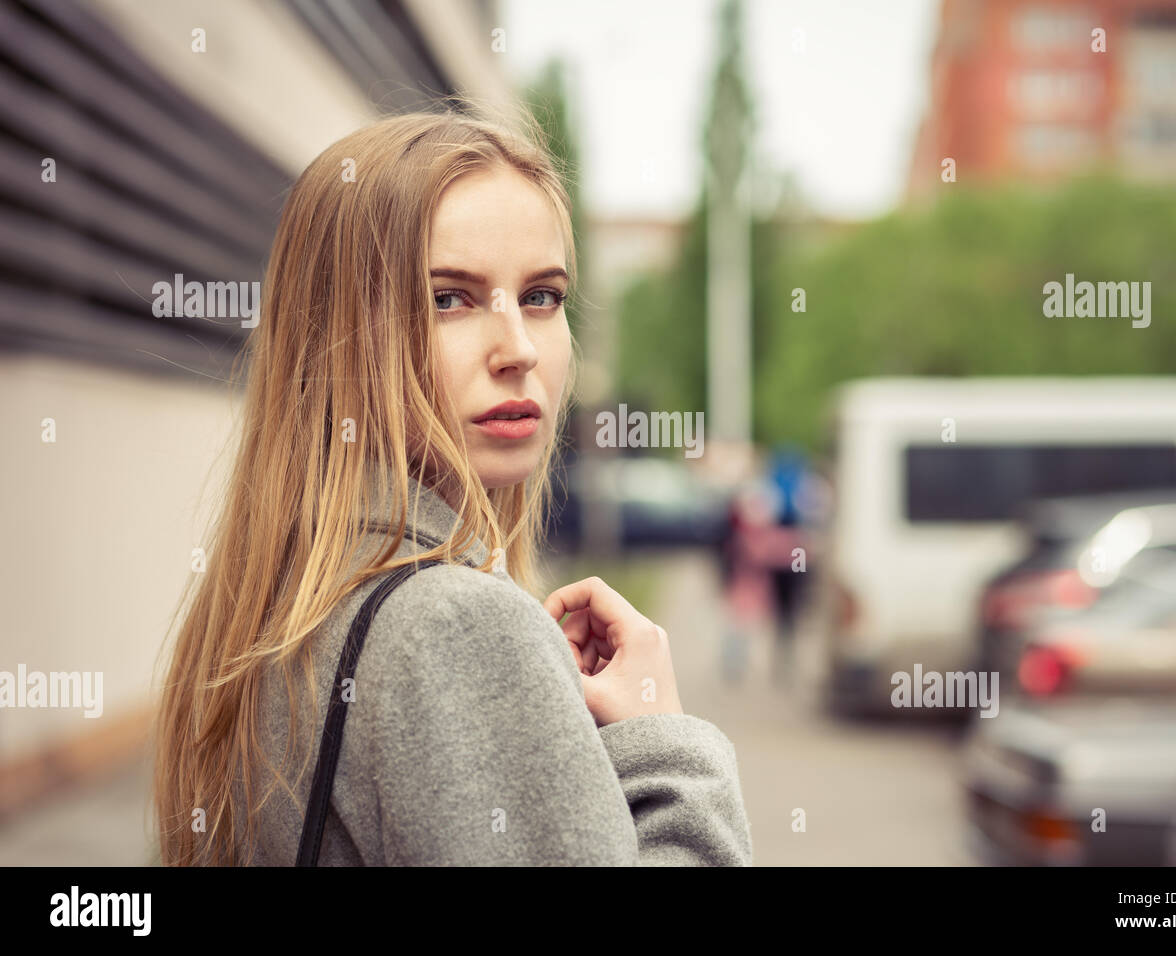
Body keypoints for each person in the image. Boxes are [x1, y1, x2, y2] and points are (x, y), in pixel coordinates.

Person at [152, 105, 752, 866]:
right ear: (335, 337)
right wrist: (661, 743)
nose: (518, 348)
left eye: (542, 296)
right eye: (450, 298)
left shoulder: (281, 604)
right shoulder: (453, 625)